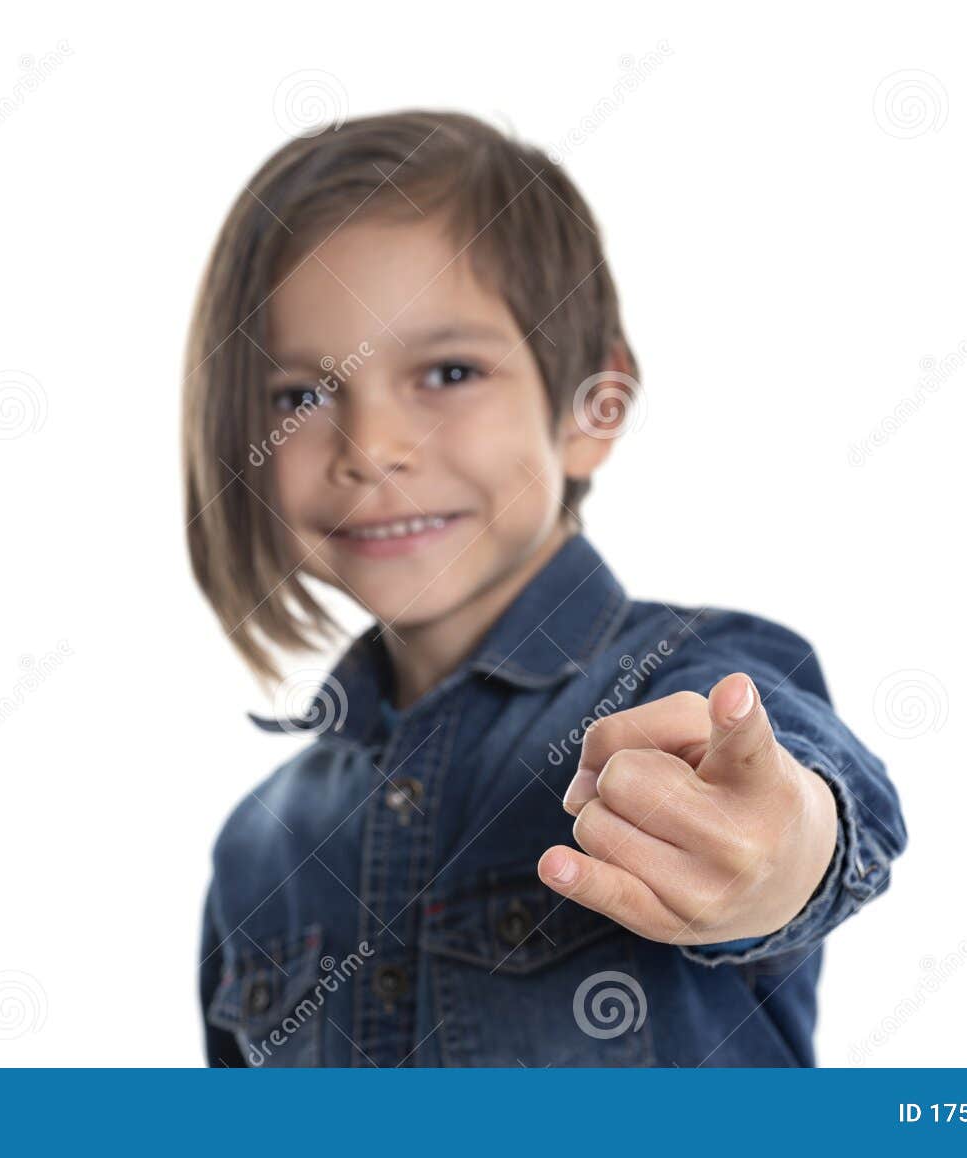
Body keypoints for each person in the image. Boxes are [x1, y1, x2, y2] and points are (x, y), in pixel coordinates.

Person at [184, 110, 907, 1066]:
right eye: (302, 396)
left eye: (448, 371)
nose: (371, 448)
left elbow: (801, 800)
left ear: (590, 408)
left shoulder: (683, 679)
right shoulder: (258, 850)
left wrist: (773, 849)